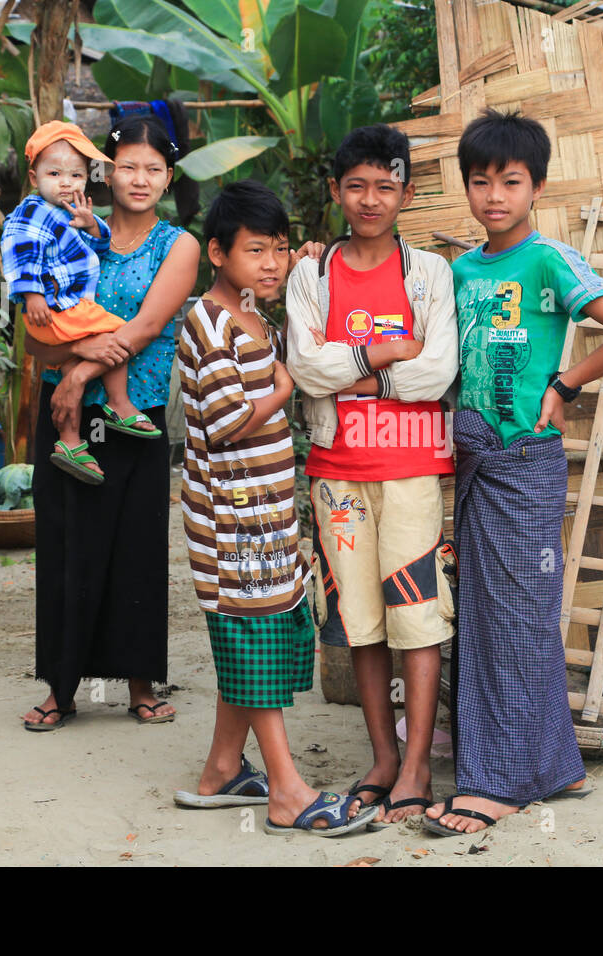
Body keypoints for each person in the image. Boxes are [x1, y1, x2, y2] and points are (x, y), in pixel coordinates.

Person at [425, 109, 603, 836]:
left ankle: (500, 782)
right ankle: (557, 767)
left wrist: (566, 386)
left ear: (538, 188)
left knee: (519, 617)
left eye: (511, 182)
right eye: (480, 182)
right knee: (488, 619)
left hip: (524, 461)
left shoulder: (550, 261)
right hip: (472, 457)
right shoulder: (459, 271)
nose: (494, 195)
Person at [171, 180, 375, 836]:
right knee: (252, 636)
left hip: (265, 506)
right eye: (255, 250)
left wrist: (309, 272)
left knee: (266, 636)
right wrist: (283, 385)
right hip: (232, 519)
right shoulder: (206, 322)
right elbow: (229, 420)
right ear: (217, 253)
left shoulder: (257, 313)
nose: (270, 262)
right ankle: (286, 790)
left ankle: (221, 773)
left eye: (280, 250)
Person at [285, 124, 459, 827]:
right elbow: (305, 366)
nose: (370, 199)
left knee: (416, 617)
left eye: (385, 186)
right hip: (336, 474)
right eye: (355, 185)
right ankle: (382, 758)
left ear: (407, 194)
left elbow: (438, 370)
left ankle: (416, 764)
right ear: (335, 191)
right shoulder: (310, 275)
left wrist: (353, 367)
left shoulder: (429, 275)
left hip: (413, 469)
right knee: (359, 621)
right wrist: (390, 350)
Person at [20, 115, 198, 730]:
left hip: (134, 417)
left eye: (153, 168)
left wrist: (75, 376)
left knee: (136, 547)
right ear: (107, 172)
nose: (140, 179)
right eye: (127, 166)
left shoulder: (178, 246)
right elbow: (38, 337)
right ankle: (60, 688)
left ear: (169, 177)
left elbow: (146, 328)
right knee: (67, 545)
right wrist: (64, 370)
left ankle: (140, 685)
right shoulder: (66, 234)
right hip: (65, 419)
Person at [1, 121, 161, 488]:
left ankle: (71, 442)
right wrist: (32, 294)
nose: (66, 182)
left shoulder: (67, 212)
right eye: (54, 173)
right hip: (57, 307)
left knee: (74, 366)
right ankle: (119, 404)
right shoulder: (31, 213)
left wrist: (92, 226)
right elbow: (19, 249)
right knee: (118, 333)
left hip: (65, 307)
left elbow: (98, 249)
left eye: (76, 174)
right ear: (33, 176)